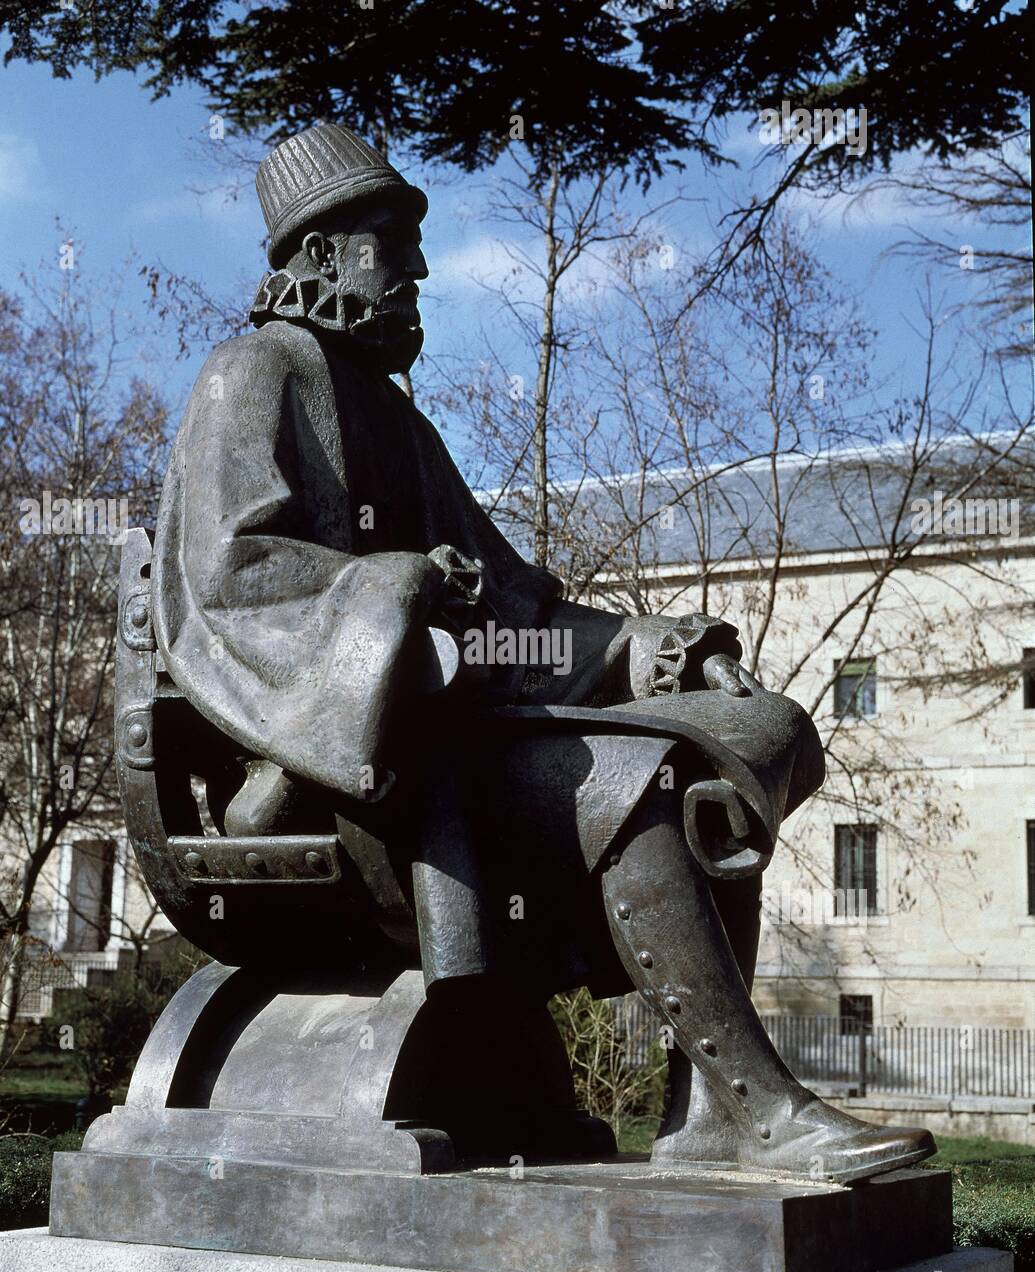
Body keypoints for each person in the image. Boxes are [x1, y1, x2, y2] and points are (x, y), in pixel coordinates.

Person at [151, 123, 933, 1182]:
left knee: (752, 735)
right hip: (347, 776)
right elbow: (229, 579)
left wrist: (664, 654)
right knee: (640, 778)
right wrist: (396, 589)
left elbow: (516, 602)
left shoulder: (400, 423)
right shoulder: (253, 374)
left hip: (458, 750)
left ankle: (706, 1109)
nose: (419, 266)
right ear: (323, 253)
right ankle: (758, 1108)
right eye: (393, 241)